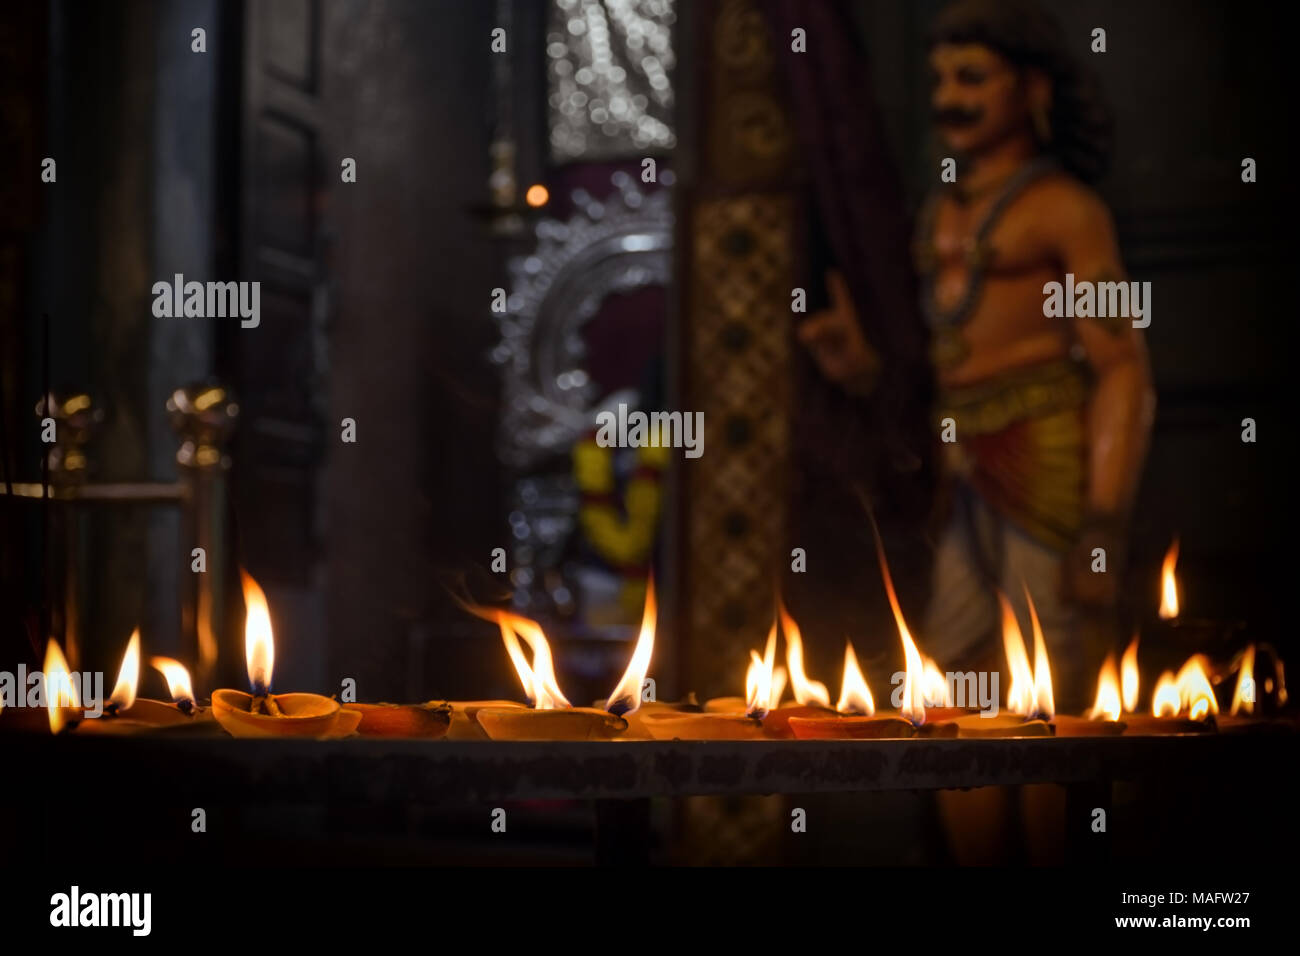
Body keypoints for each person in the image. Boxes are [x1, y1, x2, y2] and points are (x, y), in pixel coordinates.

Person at [798, 0, 1155, 710]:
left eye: (971, 78)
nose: (948, 100)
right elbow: (940, 353)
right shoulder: (940, 211)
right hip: (959, 459)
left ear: (1034, 88)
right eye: (939, 81)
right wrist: (862, 370)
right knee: (956, 673)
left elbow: (1122, 369)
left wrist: (1102, 528)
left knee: (1052, 670)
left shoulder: (1068, 212)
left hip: (1045, 448)